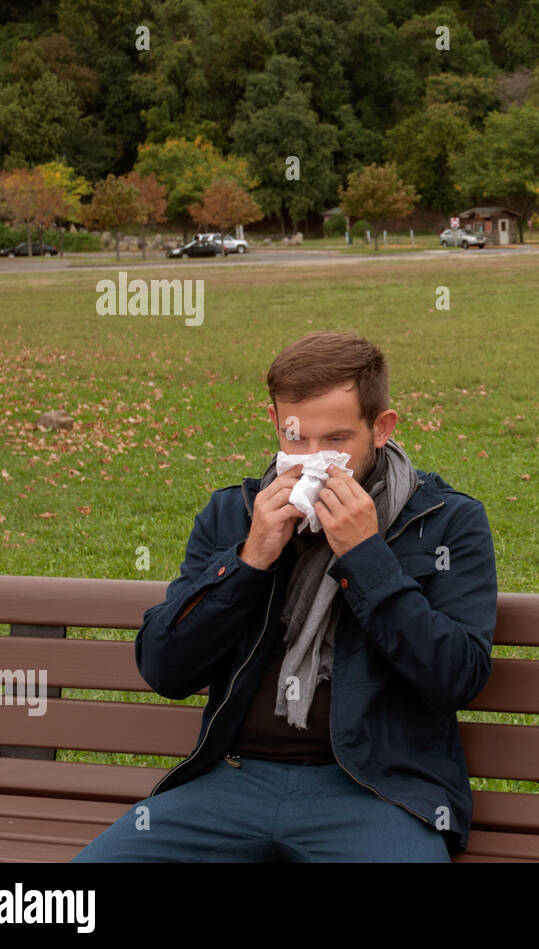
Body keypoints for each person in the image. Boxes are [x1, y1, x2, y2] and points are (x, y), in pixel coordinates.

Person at [73, 331, 497, 862]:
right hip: (230, 783)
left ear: (381, 429)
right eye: (296, 438)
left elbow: (456, 677)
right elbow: (165, 668)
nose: (313, 460)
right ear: (275, 423)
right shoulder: (233, 514)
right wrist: (249, 562)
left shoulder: (445, 522)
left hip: (378, 793)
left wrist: (367, 558)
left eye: (337, 441)